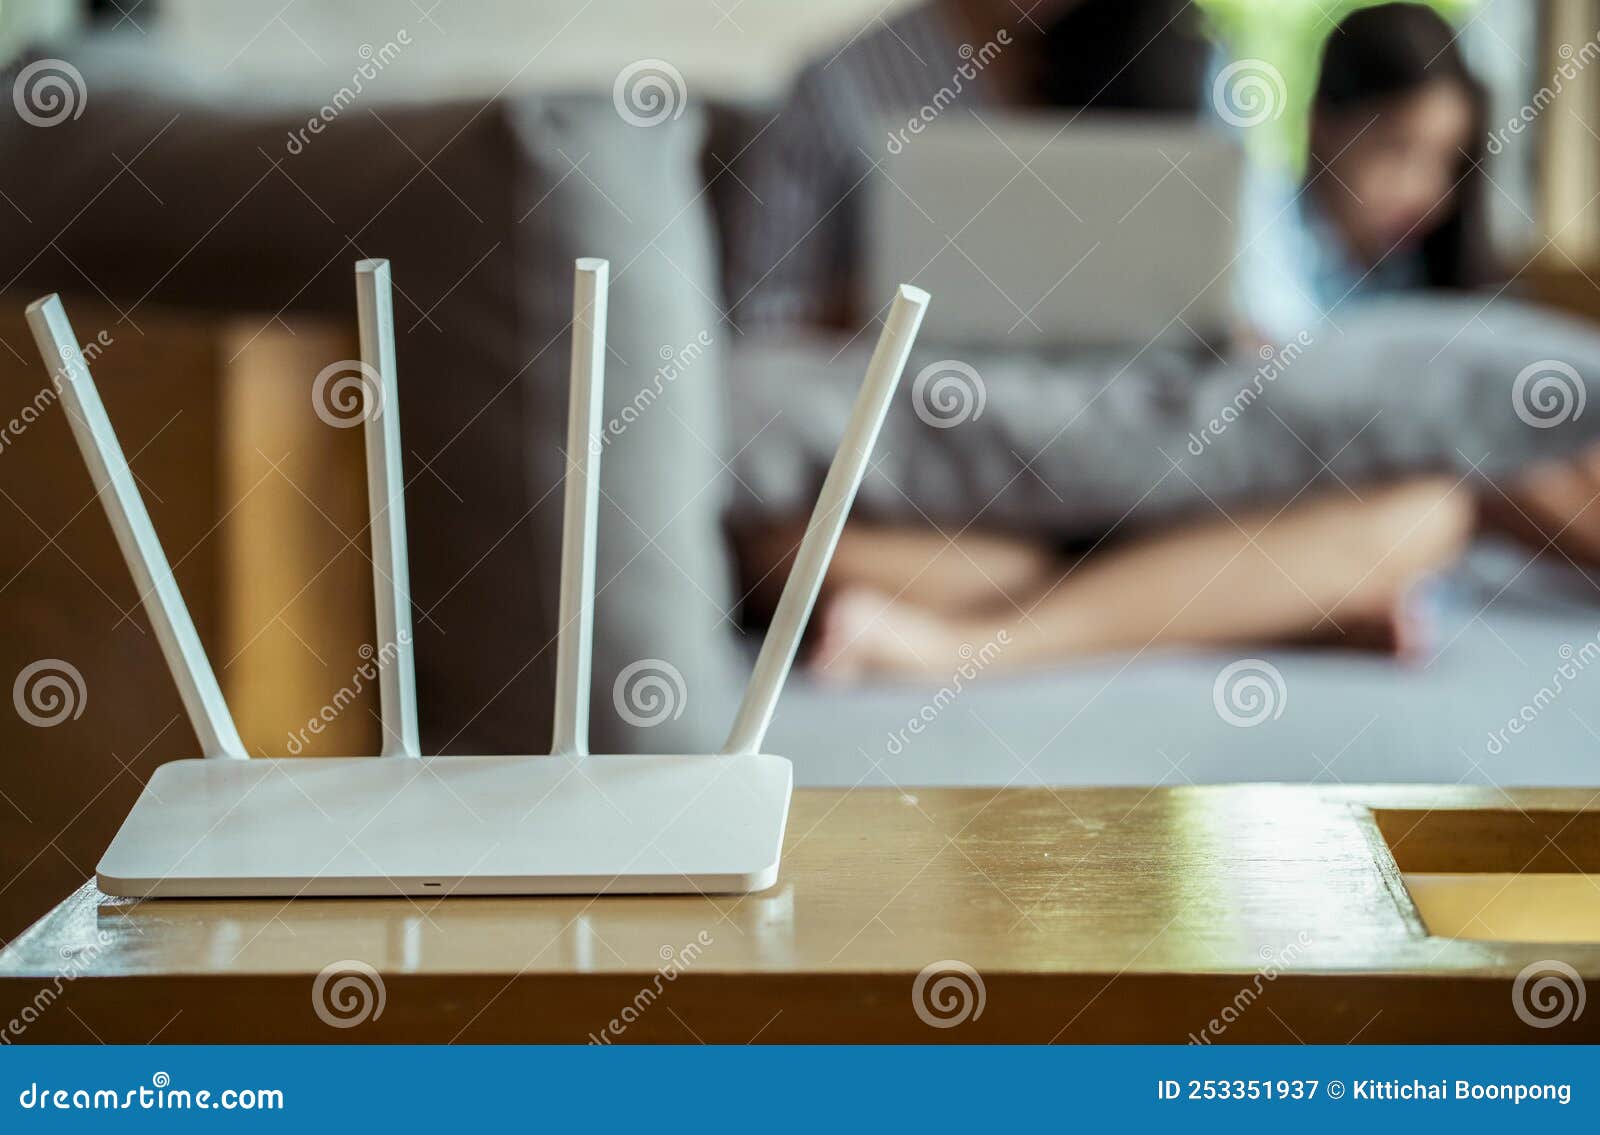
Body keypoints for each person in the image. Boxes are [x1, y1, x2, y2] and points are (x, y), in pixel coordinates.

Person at [724, 2, 1560, 680]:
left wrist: (1230, 327)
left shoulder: (1185, 57)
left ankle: (975, 644)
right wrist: (897, 285)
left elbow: (1249, 294)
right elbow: (766, 333)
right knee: (782, 552)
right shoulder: (837, 85)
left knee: (1428, 515)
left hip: (1155, 453)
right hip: (961, 478)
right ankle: (1221, 602)